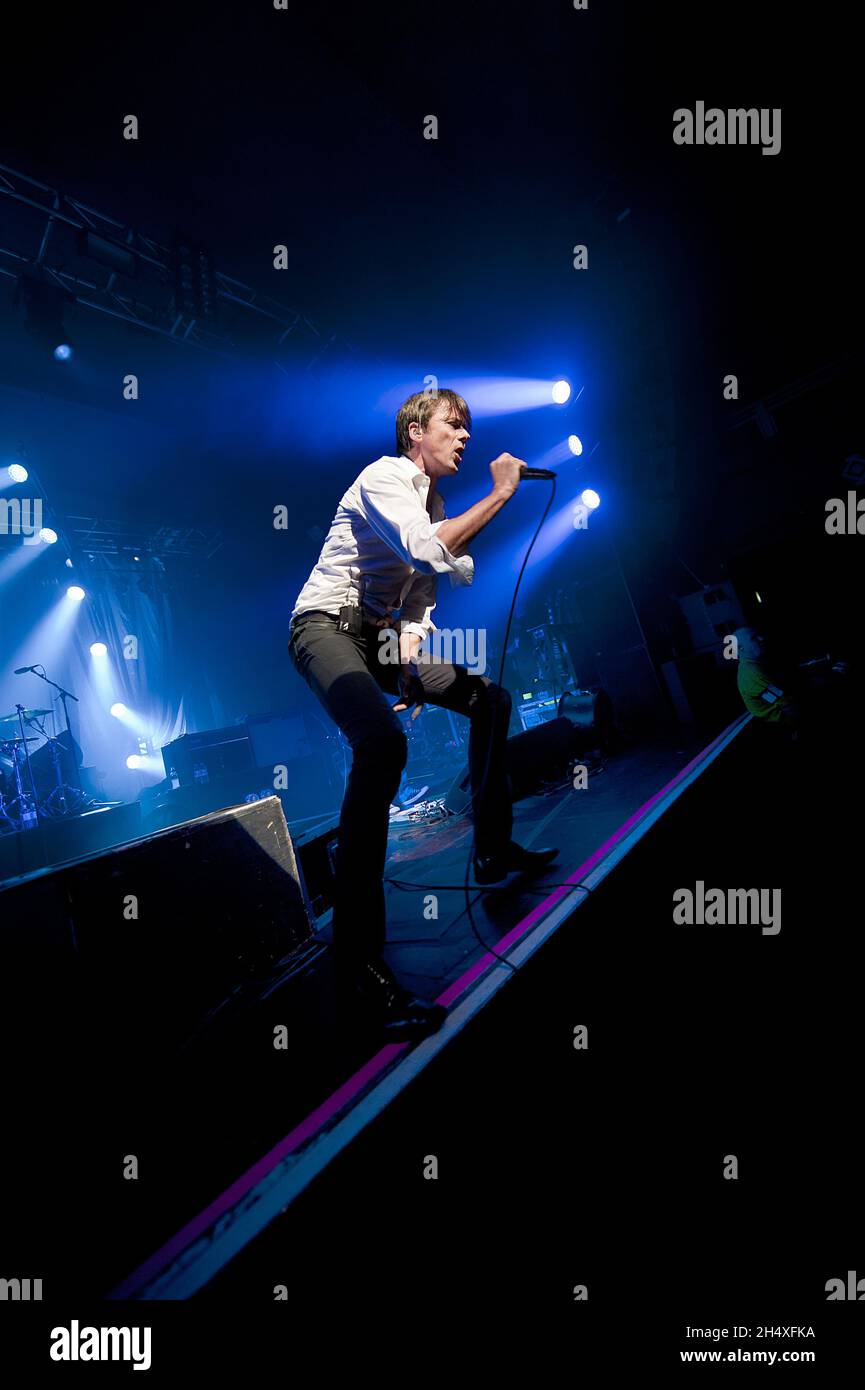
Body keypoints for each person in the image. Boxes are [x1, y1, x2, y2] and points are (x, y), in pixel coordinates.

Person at [288, 388, 559, 1040]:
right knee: (380, 745)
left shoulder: (432, 503)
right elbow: (421, 550)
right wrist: (500, 494)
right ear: (416, 431)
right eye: (453, 425)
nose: (464, 437)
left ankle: (491, 850)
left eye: (468, 428)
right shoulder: (385, 477)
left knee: (487, 699)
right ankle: (356, 966)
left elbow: (415, 607)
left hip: (377, 638)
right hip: (323, 628)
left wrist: (407, 666)